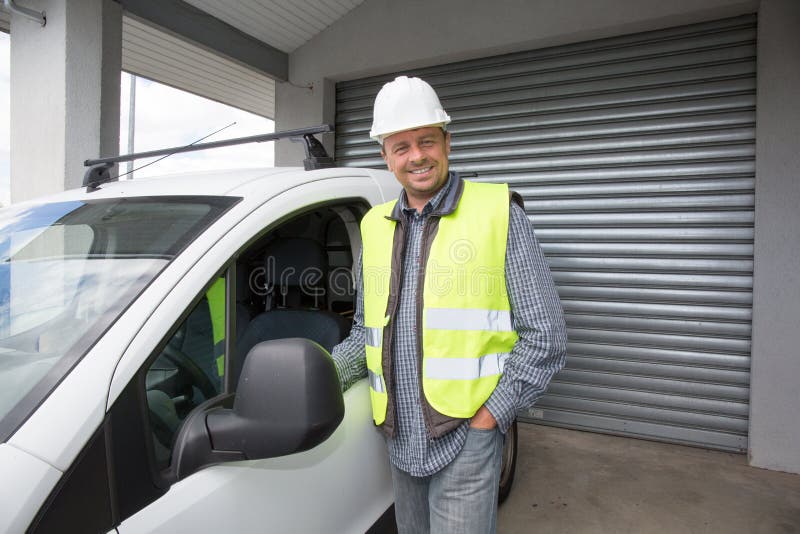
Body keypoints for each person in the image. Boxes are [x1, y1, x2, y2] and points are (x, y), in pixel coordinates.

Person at [331, 75, 567, 534]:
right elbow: (364, 333)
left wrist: (490, 418)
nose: (416, 155)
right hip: (398, 440)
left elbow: (546, 336)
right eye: (401, 147)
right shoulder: (375, 227)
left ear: (447, 142)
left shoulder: (499, 214)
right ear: (386, 157)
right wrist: (321, 374)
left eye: (426, 141)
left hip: (465, 439)